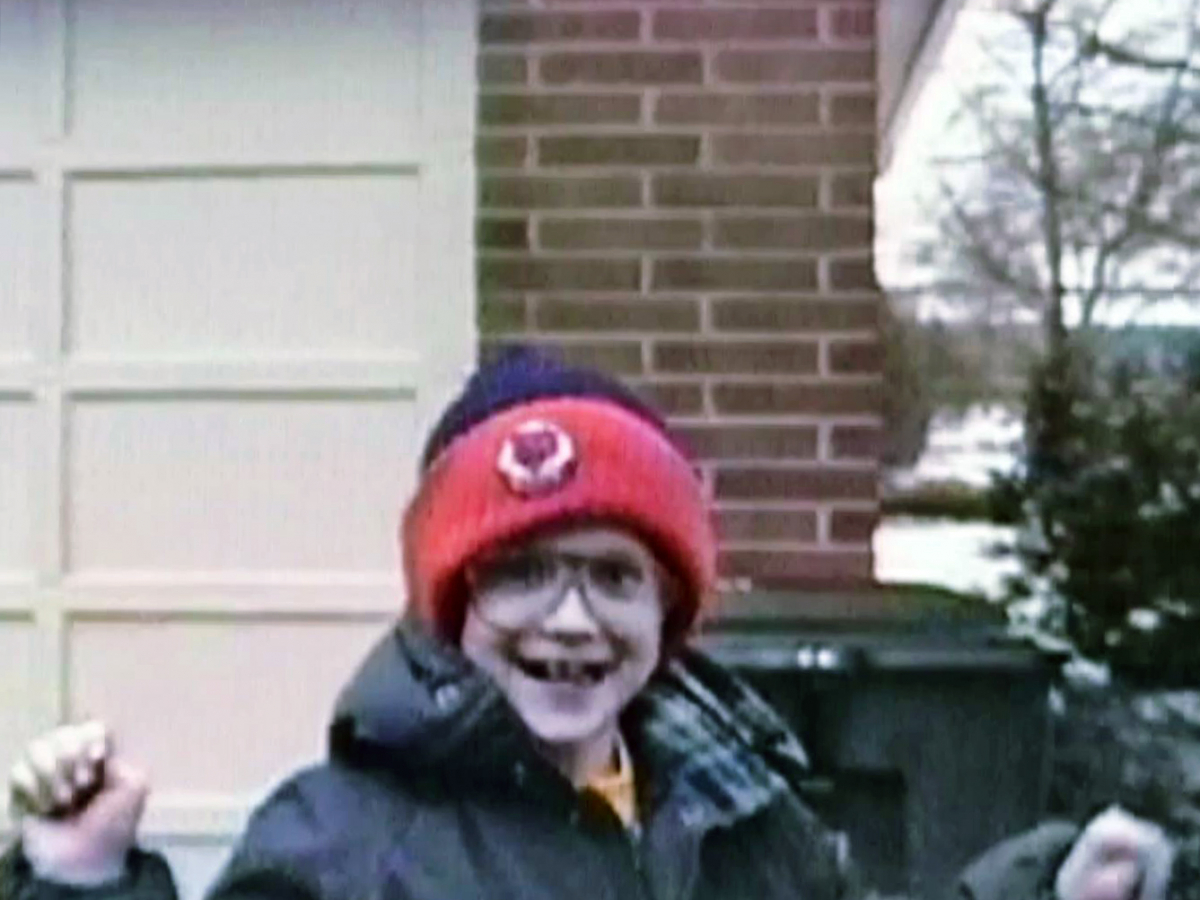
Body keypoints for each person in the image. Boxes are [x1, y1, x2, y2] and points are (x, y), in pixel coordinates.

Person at [1, 350, 1189, 900]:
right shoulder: (341, 852)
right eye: (523, 573)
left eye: (617, 578)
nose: (572, 620)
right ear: (451, 601)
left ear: (669, 609)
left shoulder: (744, 818)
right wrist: (82, 881)